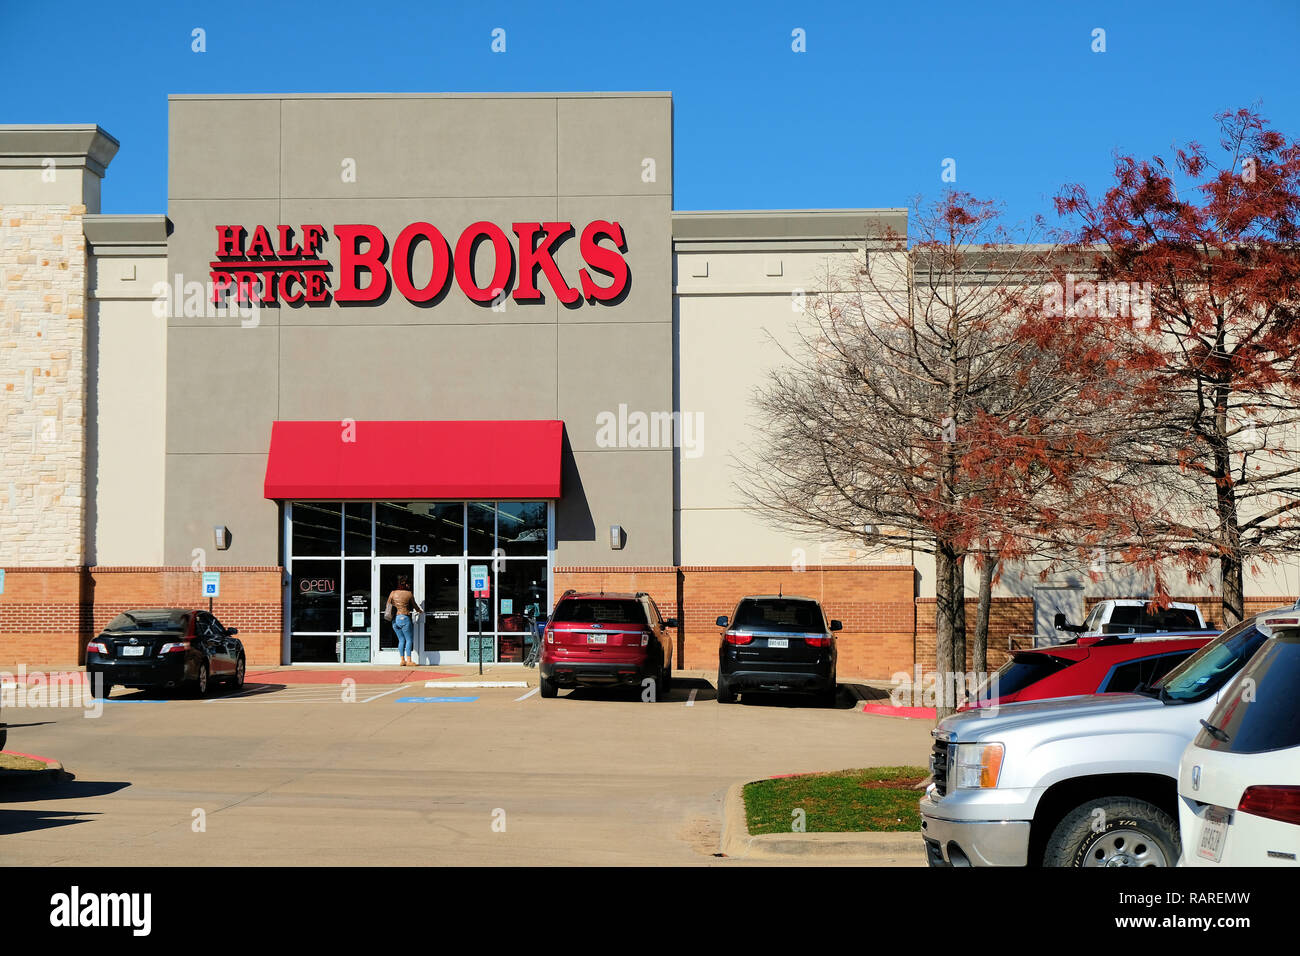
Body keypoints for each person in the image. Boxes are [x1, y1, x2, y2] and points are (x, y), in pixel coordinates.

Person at [387, 575, 422, 666]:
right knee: (409, 640)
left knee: (401, 640)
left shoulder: (393, 593)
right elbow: (415, 606)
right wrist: (420, 611)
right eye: (408, 584)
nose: (409, 586)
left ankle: (402, 660)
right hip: (404, 617)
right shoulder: (409, 594)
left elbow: (388, 605)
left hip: (395, 619)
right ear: (405, 584)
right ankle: (409, 661)